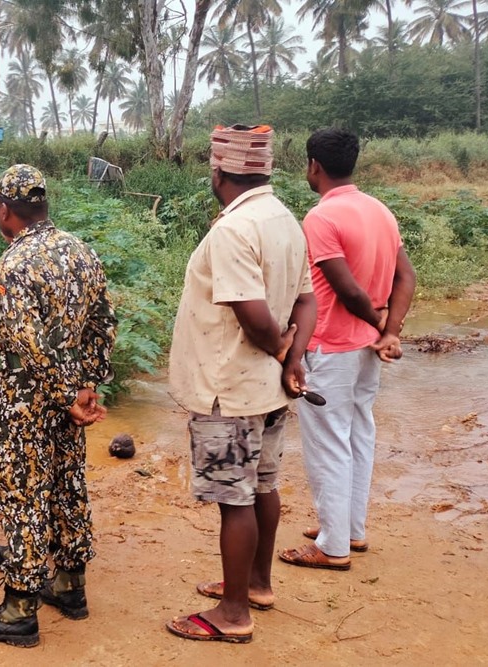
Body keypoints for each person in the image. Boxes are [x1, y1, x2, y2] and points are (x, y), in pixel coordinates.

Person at [165, 125, 316, 644]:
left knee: (236, 499)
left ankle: (233, 614)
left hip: (227, 388)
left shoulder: (235, 229)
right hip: (268, 388)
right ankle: (256, 583)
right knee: (264, 486)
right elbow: (305, 301)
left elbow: (252, 314)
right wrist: (293, 358)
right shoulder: (284, 219)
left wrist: (279, 349)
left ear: (218, 171)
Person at [0, 164, 117, 648]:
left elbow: (26, 341)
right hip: (67, 391)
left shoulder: (14, 264)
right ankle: (69, 584)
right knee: (65, 481)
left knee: (22, 489)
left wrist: (65, 394)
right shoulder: (79, 250)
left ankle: (19, 607)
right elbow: (103, 322)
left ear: (6, 210)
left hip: (23, 397)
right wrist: (86, 386)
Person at [279, 128, 416, 571]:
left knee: (329, 443)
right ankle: (349, 530)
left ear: (313, 165)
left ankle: (332, 546)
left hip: (331, 346)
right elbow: (405, 278)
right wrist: (388, 331)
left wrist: (382, 327)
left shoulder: (321, 218)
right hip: (364, 348)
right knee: (359, 434)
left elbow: (347, 291)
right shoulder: (380, 210)